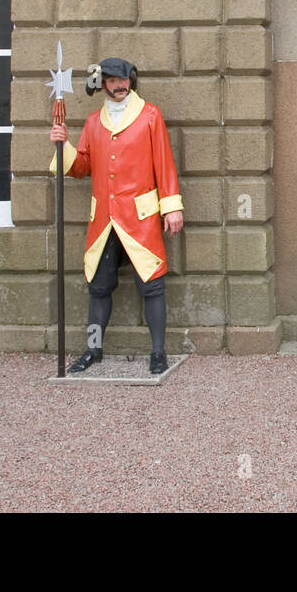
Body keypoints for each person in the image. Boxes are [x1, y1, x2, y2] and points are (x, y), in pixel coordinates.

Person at [49, 57, 183, 375]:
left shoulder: (150, 116)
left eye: (121, 80)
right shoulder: (95, 122)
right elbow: (82, 167)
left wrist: (172, 206)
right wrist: (63, 145)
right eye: (110, 81)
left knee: (151, 286)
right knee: (98, 287)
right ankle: (94, 349)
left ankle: (158, 353)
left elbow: (163, 163)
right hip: (105, 219)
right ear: (102, 83)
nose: (117, 86)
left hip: (140, 218)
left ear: (130, 80)